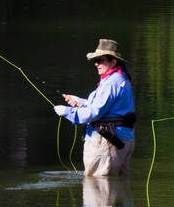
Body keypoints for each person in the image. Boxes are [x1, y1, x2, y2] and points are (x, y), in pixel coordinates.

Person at [54, 39, 136, 178]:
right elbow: (106, 108)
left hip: (107, 143)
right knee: (118, 190)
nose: (97, 64)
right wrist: (80, 102)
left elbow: (94, 113)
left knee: (97, 190)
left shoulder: (111, 83)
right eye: (95, 61)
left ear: (113, 62)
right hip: (121, 141)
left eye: (101, 60)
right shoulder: (120, 79)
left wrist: (67, 111)